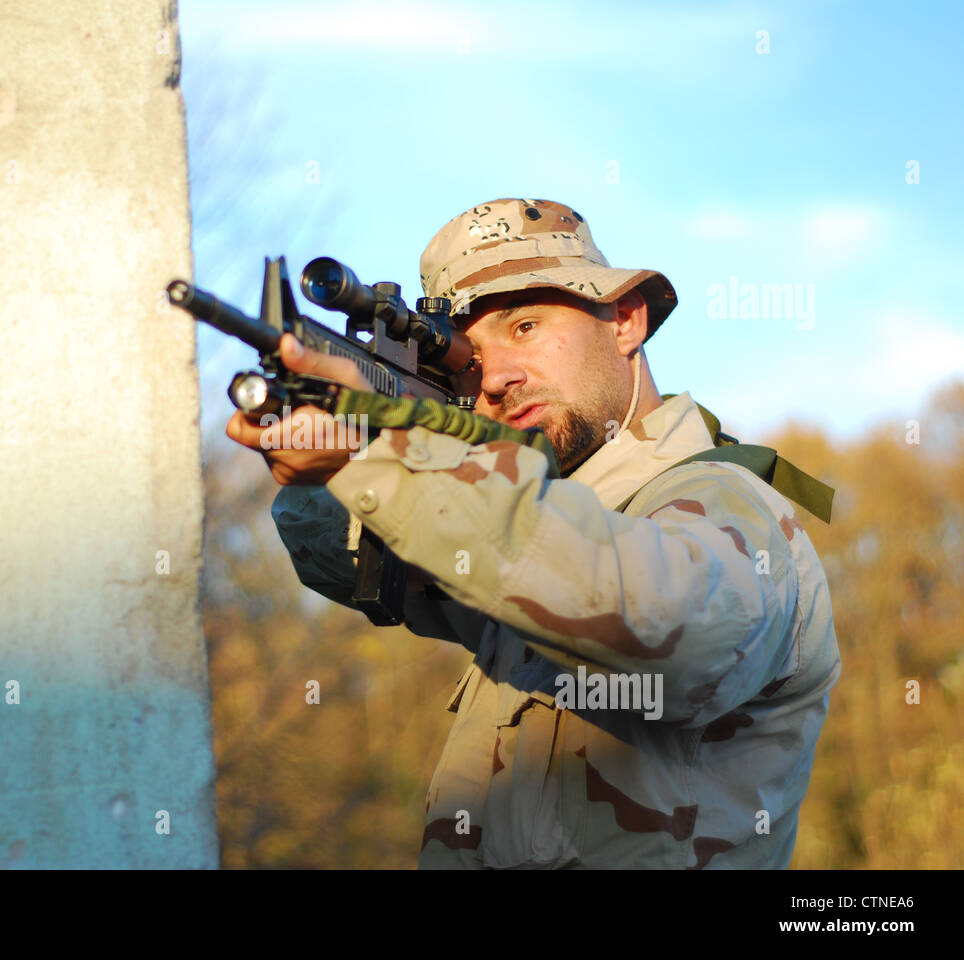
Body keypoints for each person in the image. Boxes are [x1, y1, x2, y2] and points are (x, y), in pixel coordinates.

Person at [224, 197, 840, 869]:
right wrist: (324, 458)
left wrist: (380, 463)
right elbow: (368, 575)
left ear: (626, 320)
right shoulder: (536, 525)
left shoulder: (721, 502)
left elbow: (674, 631)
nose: (495, 379)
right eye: (469, 355)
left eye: (525, 325)